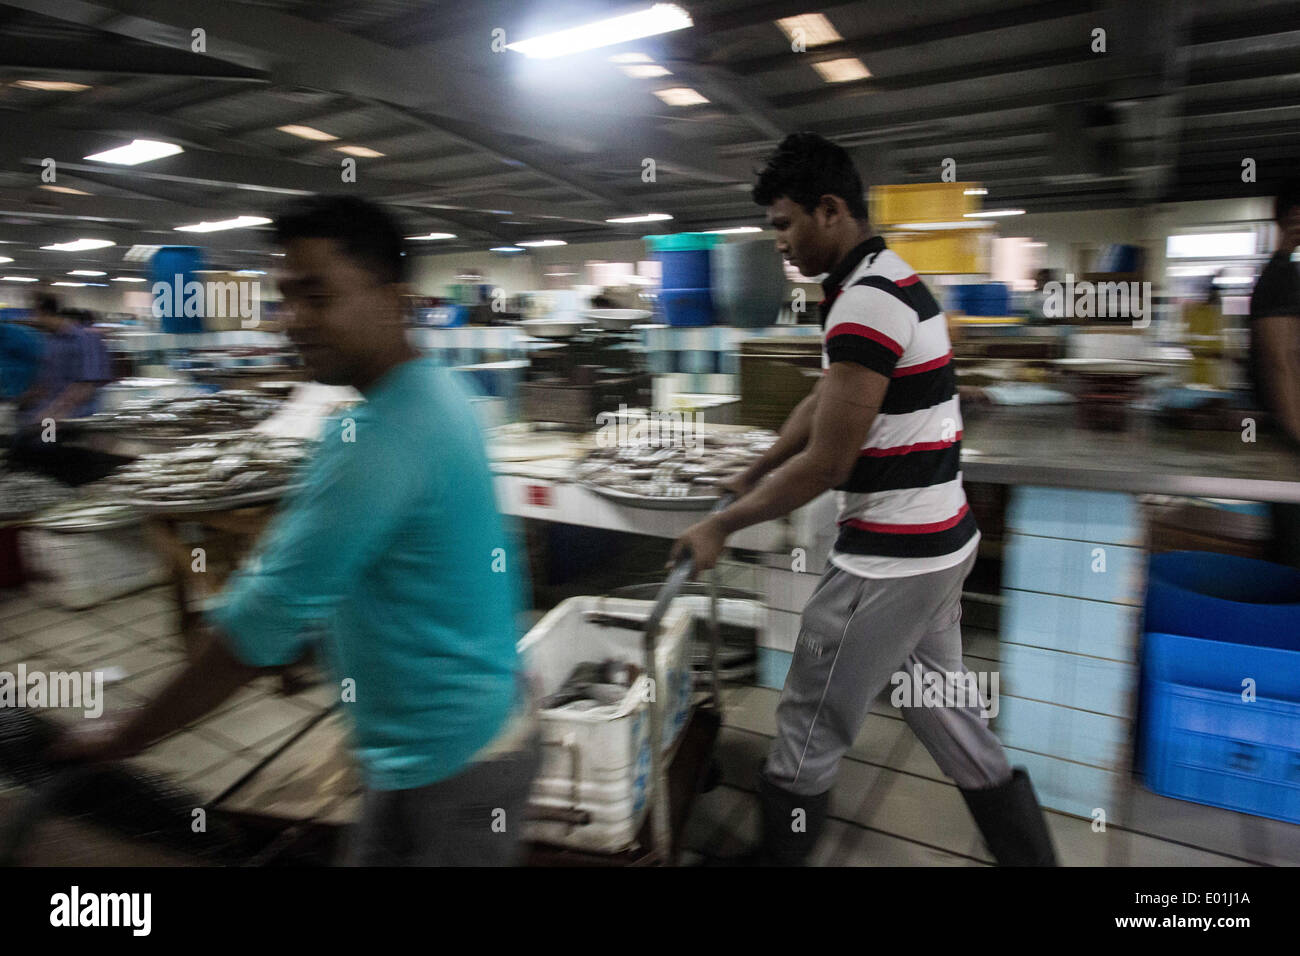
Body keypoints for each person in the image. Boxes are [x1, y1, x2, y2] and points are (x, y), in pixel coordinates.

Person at [54, 195, 541, 866]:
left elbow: (255, 629)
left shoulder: (375, 438)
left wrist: (122, 739)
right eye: (285, 298)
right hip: (475, 719)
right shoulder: (441, 390)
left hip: (451, 764)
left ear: (395, 300)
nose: (294, 322)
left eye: (316, 296)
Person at [671, 133, 1057, 867]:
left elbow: (830, 461)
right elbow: (827, 398)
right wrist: (757, 467)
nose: (780, 243)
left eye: (785, 224)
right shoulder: (887, 280)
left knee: (809, 719)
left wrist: (722, 523)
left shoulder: (864, 304)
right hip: (944, 541)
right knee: (931, 699)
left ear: (830, 210)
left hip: (891, 556)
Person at [1248, 178, 1300, 567]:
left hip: (1287, 437)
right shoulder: (1279, 277)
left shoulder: (1285, 275)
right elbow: (1278, 364)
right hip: (1289, 443)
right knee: (1291, 551)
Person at [8, 296, 116, 484]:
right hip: (51, 417)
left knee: (50, 450)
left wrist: (51, 415)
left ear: (43, 312)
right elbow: (45, 382)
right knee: (28, 449)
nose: (33, 319)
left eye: (34, 314)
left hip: (76, 419)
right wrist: (24, 402)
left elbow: (86, 386)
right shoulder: (51, 342)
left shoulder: (85, 339)